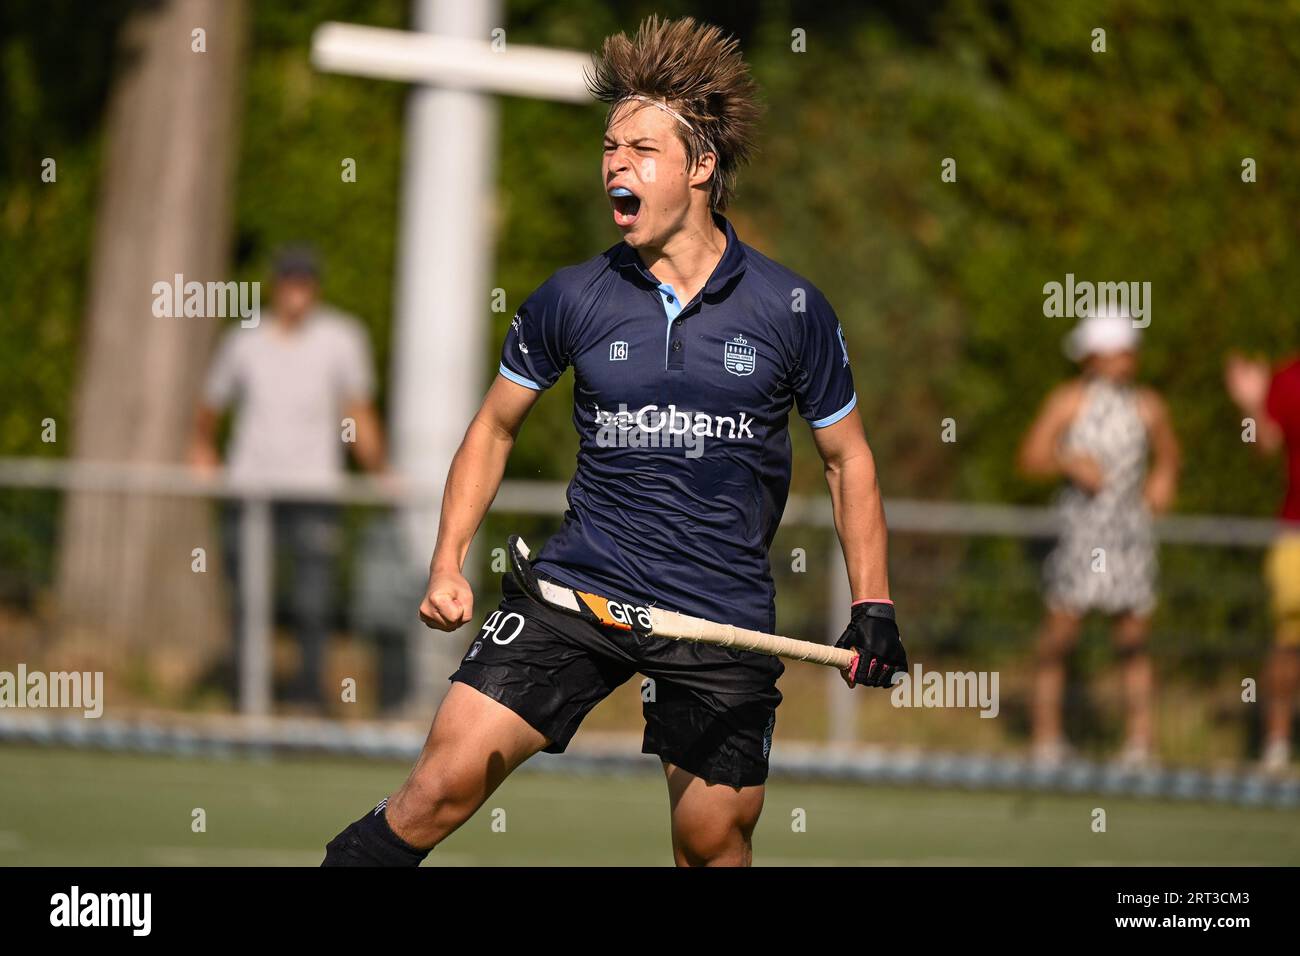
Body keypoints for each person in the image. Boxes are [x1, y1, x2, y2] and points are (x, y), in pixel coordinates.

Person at [322, 16, 906, 868]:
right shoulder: (573, 297)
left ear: (701, 167)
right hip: (577, 595)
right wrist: (449, 559)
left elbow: (848, 458)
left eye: (641, 149)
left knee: (712, 844)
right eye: (609, 147)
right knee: (438, 787)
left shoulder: (790, 310)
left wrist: (874, 607)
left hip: (719, 614)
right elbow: (493, 425)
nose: (614, 166)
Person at [188, 246, 387, 711]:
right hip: (249, 491)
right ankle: (245, 694)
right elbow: (210, 404)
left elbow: (357, 410)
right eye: (289, 282)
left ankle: (306, 696)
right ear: (276, 285)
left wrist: (379, 471)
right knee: (248, 598)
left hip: (314, 490)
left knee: (313, 601)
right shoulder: (244, 339)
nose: (297, 292)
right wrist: (201, 451)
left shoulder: (342, 337)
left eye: (305, 282)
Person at [1018, 312, 1180, 769]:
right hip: (1079, 533)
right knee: (1061, 633)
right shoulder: (1069, 401)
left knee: (1133, 636)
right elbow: (1030, 457)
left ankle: (1139, 743)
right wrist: (1069, 462)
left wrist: (1162, 482)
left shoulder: (1148, 405)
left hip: (1129, 534)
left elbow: (1169, 457)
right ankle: (1047, 740)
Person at [1225, 351, 1300, 774]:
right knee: (1288, 642)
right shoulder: (1289, 379)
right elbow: (1262, 445)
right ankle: (1276, 743)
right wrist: (1251, 405)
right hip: (1295, 533)